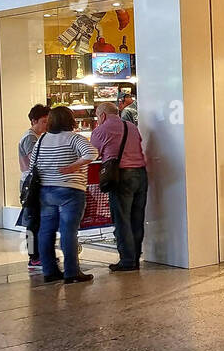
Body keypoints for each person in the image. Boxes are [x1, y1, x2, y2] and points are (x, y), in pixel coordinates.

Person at [35, 106, 98, 283]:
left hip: (46, 190)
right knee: (68, 231)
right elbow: (92, 152)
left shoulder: (42, 140)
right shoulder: (73, 138)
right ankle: (71, 272)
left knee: (46, 231)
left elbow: (34, 163)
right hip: (71, 189)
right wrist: (76, 165)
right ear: (70, 120)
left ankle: (49, 271)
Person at [91, 100, 148, 272]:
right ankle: (136, 257)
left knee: (122, 219)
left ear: (102, 115)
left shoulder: (100, 130)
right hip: (141, 174)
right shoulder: (131, 126)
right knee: (137, 219)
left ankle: (127, 261)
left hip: (121, 176)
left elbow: (93, 153)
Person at [18, 103, 51, 272]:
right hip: (31, 184)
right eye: (44, 121)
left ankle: (38, 255)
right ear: (34, 121)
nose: (46, 125)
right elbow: (35, 161)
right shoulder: (30, 138)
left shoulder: (37, 137)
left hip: (35, 183)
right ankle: (34, 257)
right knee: (33, 222)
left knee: (36, 221)